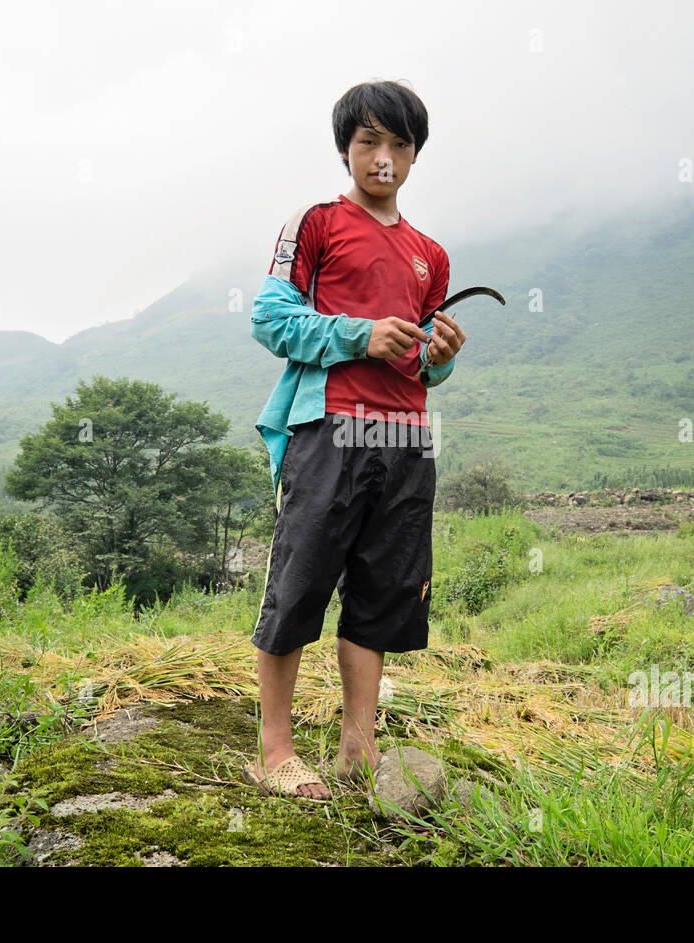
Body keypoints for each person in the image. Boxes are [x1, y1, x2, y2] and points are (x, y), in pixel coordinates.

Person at [244, 79, 466, 800]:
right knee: (299, 585)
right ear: (346, 149)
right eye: (369, 141)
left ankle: (356, 752)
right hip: (328, 429)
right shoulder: (314, 224)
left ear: (414, 155)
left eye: (398, 144)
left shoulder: (430, 253)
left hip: (404, 439)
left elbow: (427, 362)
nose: (383, 157)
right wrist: (356, 334)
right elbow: (270, 319)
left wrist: (443, 353)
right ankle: (275, 753)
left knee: (381, 597)